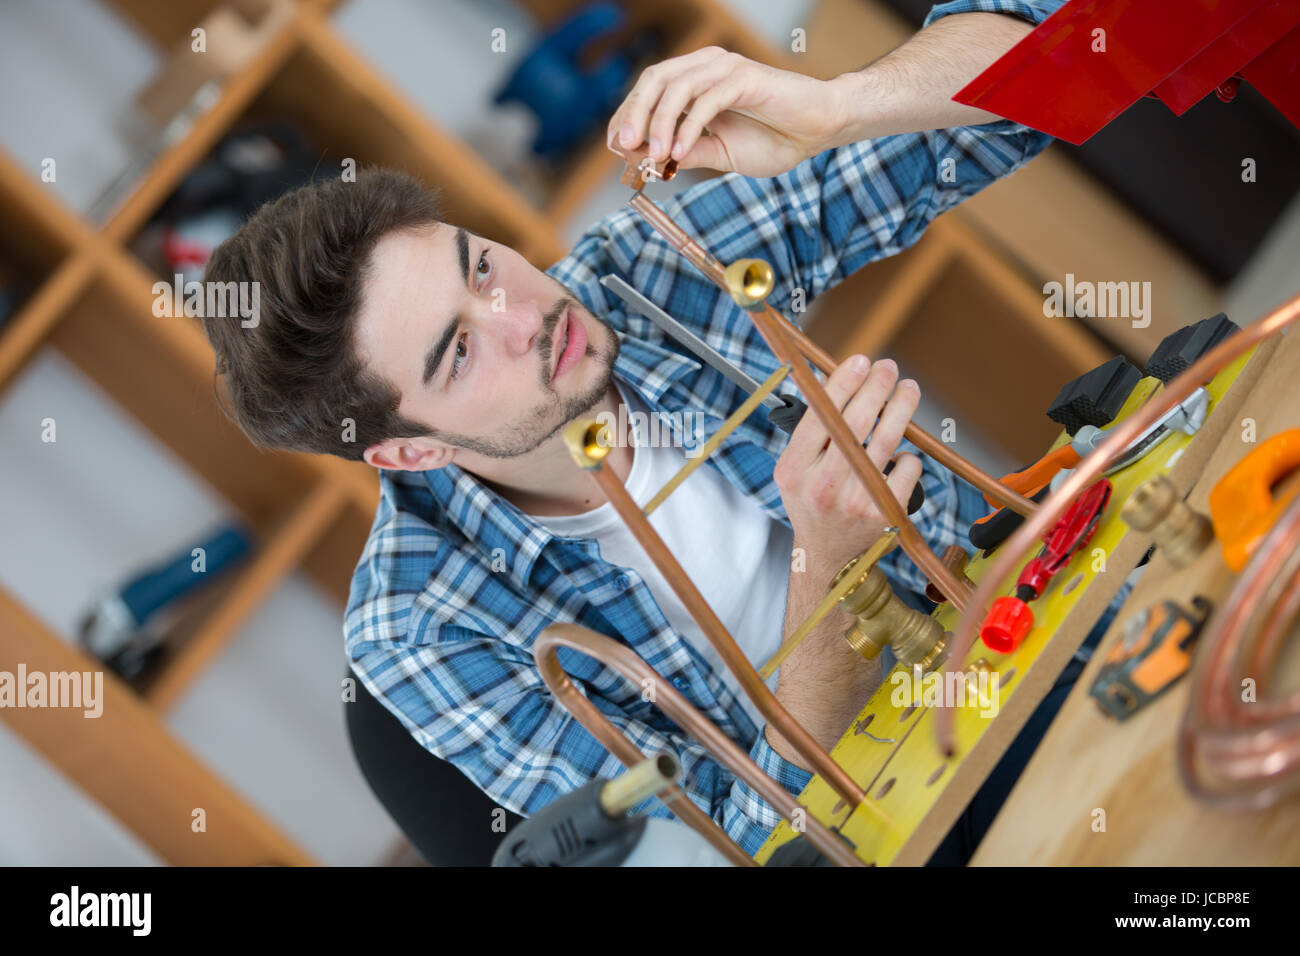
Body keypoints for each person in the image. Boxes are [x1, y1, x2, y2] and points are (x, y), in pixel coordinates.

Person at [201, 0, 1118, 862]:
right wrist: (829, 570)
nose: (525, 315)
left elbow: (1050, 62)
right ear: (409, 450)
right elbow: (739, 852)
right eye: (459, 353)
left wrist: (838, 106)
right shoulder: (424, 630)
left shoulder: (642, 271)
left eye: (479, 266)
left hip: (1058, 656)